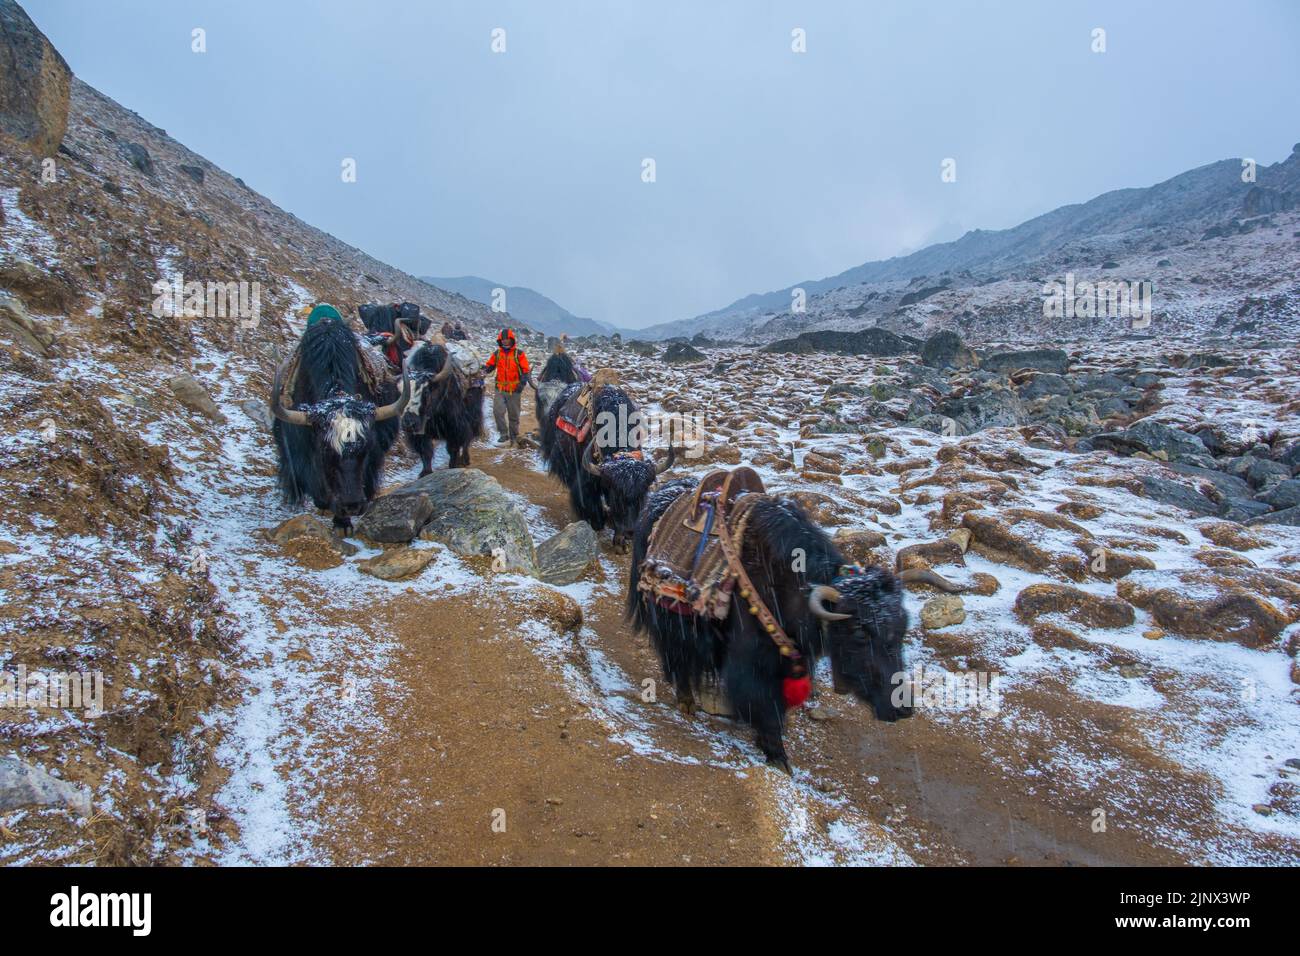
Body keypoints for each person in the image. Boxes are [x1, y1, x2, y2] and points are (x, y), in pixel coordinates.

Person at [483, 328, 532, 446]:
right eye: (503, 339)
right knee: (497, 412)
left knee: (513, 415)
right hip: (500, 388)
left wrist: (522, 384)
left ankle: (514, 436)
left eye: (507, 339)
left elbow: (526, 371)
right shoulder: (497, 353)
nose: (505, 341)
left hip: (514, 390)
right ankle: (504, 434)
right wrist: (483, 370)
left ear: (511, 340)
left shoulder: (519, 354)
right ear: (500, 340)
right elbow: (489, 366)